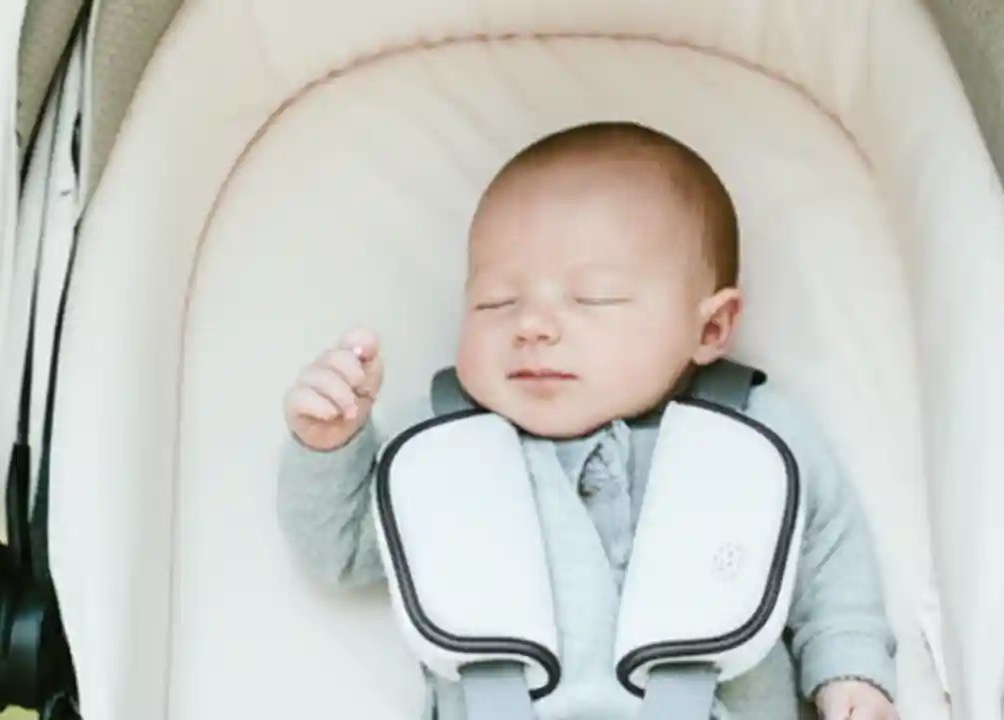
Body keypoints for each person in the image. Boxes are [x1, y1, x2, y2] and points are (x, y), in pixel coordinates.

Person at [277, 121, 897, 720]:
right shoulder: (444, 447)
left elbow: (828, 559)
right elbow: (340, 551)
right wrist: (331, 446)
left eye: (593, 298)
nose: (533, 325)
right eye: (497, 301)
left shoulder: (754, 435)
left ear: (710, 327)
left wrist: (851, 673)